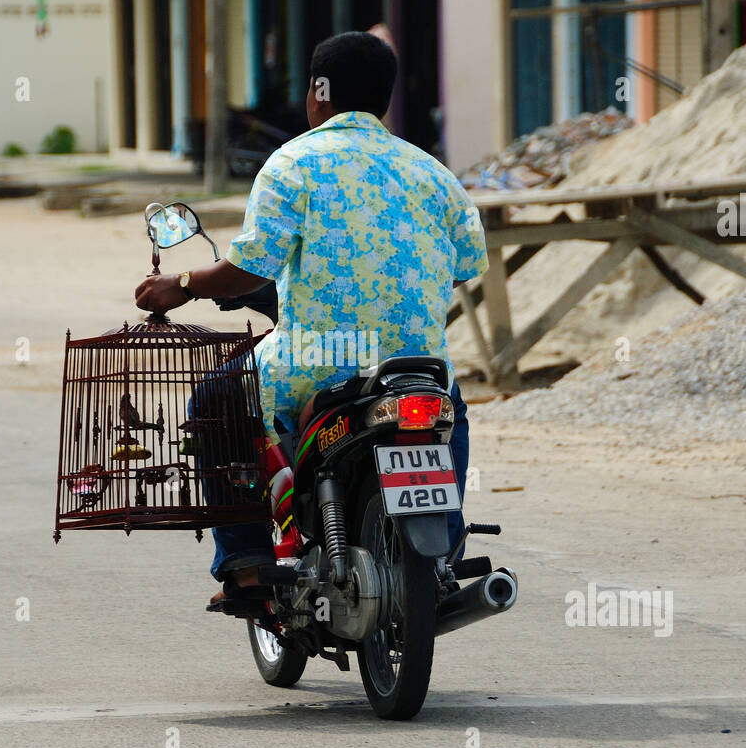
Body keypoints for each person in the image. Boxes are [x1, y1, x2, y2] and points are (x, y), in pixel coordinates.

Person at [134, 31, 487, 601]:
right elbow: (468, 265)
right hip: (415, 369)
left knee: (217, 401)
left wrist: (180, 285)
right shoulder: (436, 175)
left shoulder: (292, 163)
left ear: (318, 93)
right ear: (385, 99)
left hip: (314, 365)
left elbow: (252, 267)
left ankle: (246, 563)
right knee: (452, 411)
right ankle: (443, 554)